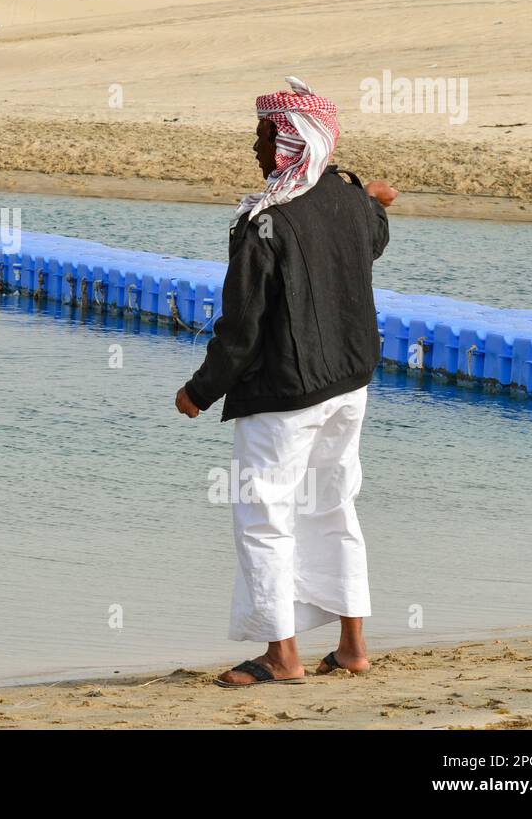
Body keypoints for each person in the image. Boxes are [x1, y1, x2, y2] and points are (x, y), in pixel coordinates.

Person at [175, 77, 397, 688]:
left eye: (263, 133)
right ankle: (352, 647)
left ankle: (282, 656)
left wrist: (201, 389)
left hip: (285, 393)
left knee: (265, 518)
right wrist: (372, 198)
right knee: (334, 508)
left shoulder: (263, 223)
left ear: (287, 141)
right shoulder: (352, 203)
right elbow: (372, 234)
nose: (254, 145)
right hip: (350, 383)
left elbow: (241, 326)